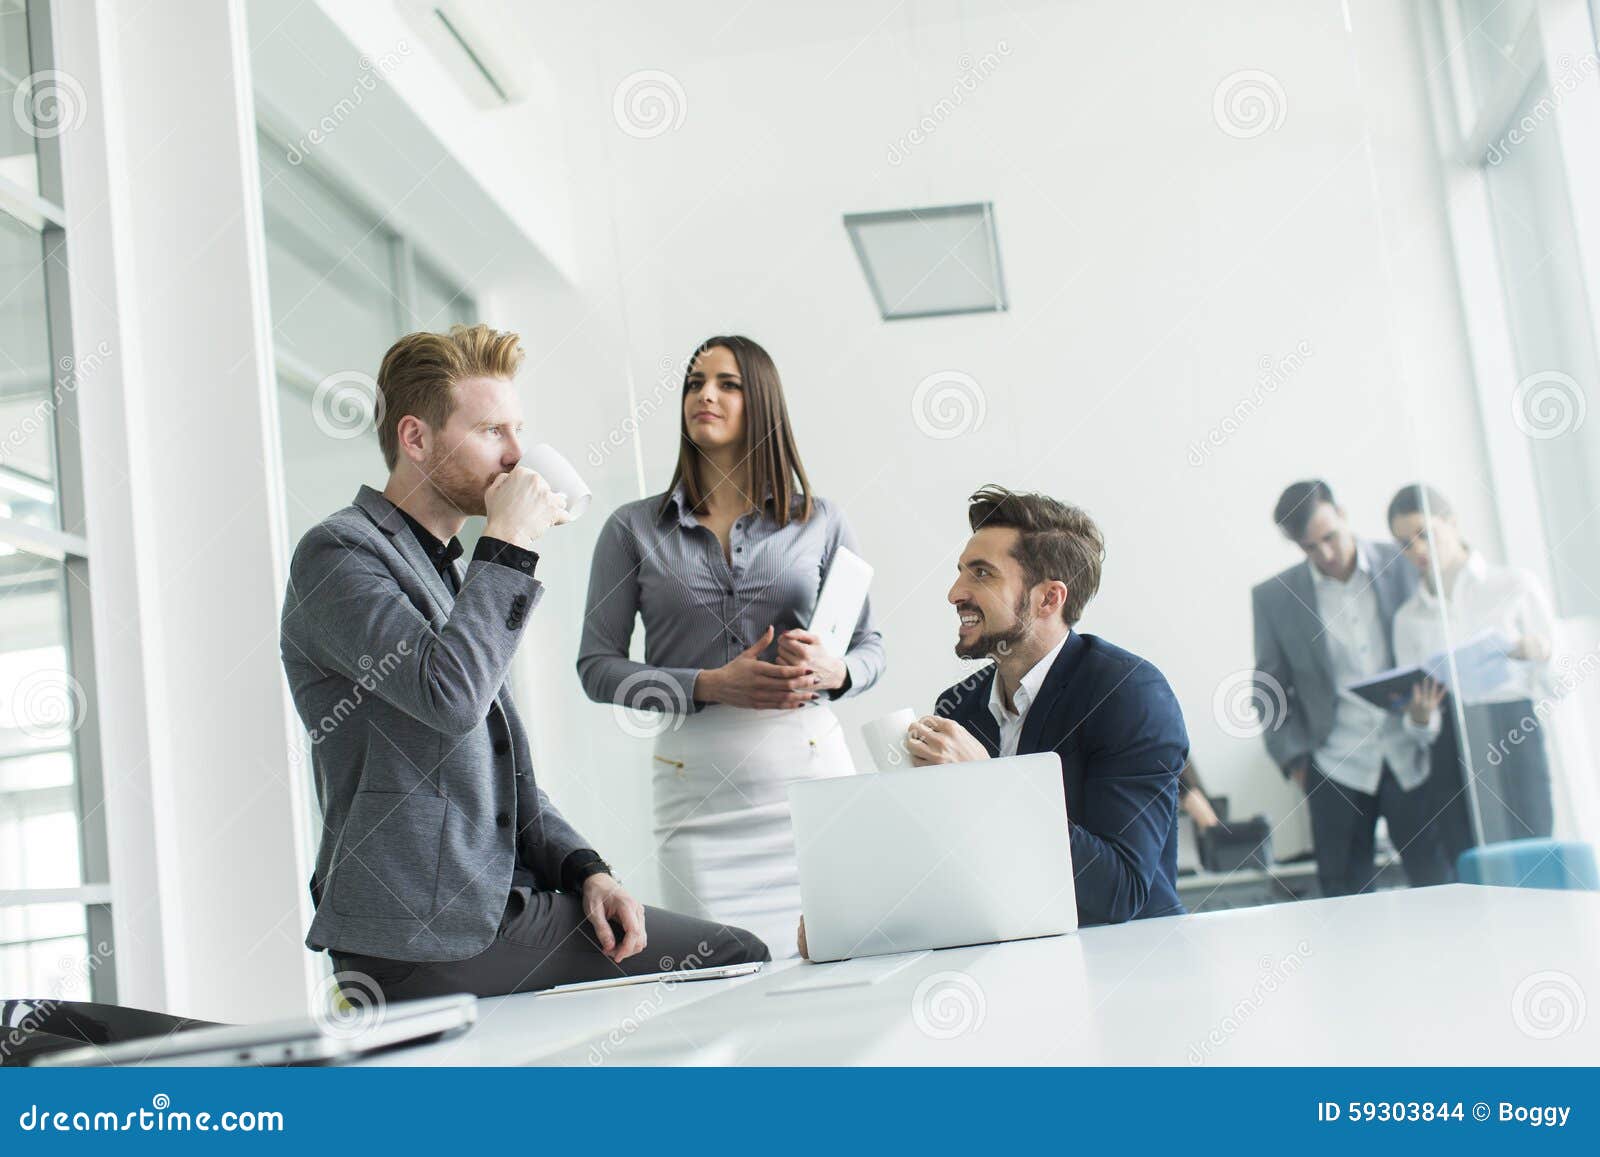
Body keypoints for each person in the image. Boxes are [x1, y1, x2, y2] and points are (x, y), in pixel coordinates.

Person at [280, 324, 769, 1001]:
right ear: (415, 438)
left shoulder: (450, 572)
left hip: (495, 901)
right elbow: (449, 697)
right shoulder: (338, 555)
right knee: (735, 955)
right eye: (491, 433)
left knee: (721, 956)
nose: (517, 457)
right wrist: (507, 541)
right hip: (423, 926)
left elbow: (501, 769)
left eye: (518, 430)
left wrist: (586, 867)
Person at [578, 335, 884, 957]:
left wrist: (835, 670)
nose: (704, 395)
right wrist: (707, 685)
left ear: (761, 404)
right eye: (694, 383)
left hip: (813, 775)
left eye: (727, 384)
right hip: (696, 798)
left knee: (841, 965)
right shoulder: (631, 528)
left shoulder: (820, 520)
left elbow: (872, 648)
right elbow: (596, 668)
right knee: (722, 977)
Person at [904, 485, 1188, 926]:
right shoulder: (959, 708)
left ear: (1049, 599)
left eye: (981, 574)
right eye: (961, 572)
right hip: (1010, 964)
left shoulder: (1129, 694)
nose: (955, 592)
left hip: (1127, 970)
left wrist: (987, 783)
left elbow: (1118, 891)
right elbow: (953, 871)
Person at [1251, 479, 1457, 897]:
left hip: (1411, 754)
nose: (1325, 554)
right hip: (1334, 766)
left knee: (1440, 887)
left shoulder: (1401, 564)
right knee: (1343, 904)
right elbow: (1267, 689)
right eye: (1310, 548)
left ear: (1343, 514)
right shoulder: (1274, 597)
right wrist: (1296, 763)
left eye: (1329, 537)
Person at [1388, 483, 1558, 847]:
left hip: (1512, 729)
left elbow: (1559, 684)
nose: (1417, 549)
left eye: (1424, 534)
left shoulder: (1514, 585)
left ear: (1451, 522)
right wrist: (1420, 716)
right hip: (1450, 746)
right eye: (1404, 543)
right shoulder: (1407, 619)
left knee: (1533, 852)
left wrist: (1540, 654)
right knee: (1465, 862)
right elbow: (1418, 730)